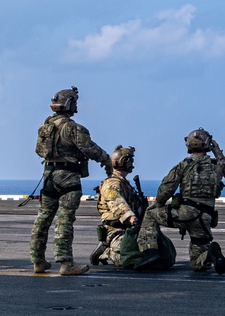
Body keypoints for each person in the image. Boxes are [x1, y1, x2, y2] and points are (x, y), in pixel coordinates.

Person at [30, 86, 112, 276]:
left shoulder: (44, 127)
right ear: (69, 104)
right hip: (68, 177)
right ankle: (66, 263)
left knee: (43, 219)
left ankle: (38, 261)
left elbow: (39, 151)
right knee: (65, 220)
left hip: (49, 175)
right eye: (74, 101)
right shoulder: (74, 128)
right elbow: (89, 149)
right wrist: (106, 159)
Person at [136, 128, 225, 273]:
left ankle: (150, 252)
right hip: (204, 219)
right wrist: (218, 152)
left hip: (185, 214)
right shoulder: (218, 165)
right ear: (208, 144)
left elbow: (166, 188)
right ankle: (209, 255)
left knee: (150, 214)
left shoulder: (184, 165)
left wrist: (158, 204)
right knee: (197, 263)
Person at [91, 145, 176, 270]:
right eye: (130, 160)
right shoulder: (112, 184)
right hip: (116, 231)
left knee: (164, 253)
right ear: (123, 161)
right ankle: (106, 250)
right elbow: (117, 204)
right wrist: (131, 218)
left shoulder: (125, 184)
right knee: (130, 258)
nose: (132, 163)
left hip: (131, 230)